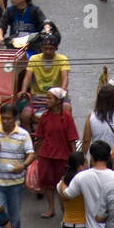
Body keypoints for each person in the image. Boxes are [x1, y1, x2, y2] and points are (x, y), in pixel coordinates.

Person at [34, 87, 78, 218]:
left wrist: (74, 158)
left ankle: (65, 211)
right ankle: (51, 208)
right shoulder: (44, 117)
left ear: (58, 101)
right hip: (46, 155)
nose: (46, 101)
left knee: (63, 184)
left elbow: (72, 139)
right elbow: (40, 138)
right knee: (47, 183)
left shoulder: (66, 118)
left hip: (62, 156)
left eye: (49, 98)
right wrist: (36, 156)